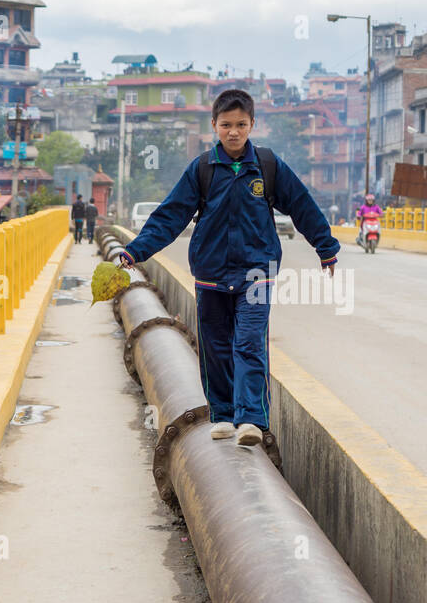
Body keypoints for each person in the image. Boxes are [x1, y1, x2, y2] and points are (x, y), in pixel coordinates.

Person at [113, 88, 339, 447]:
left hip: (255, 273)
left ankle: (251, 420)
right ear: (214, 126)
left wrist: (325, 246)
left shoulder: (267, 166)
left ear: (252, 125)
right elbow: (170, 216)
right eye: (226, 125)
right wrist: (135, 251)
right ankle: (222, 414)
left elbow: (301, 206)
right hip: (211, 274)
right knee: (216, 347)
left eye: (241, 125)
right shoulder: (202, 169)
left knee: (249, 343)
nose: (233, 132)